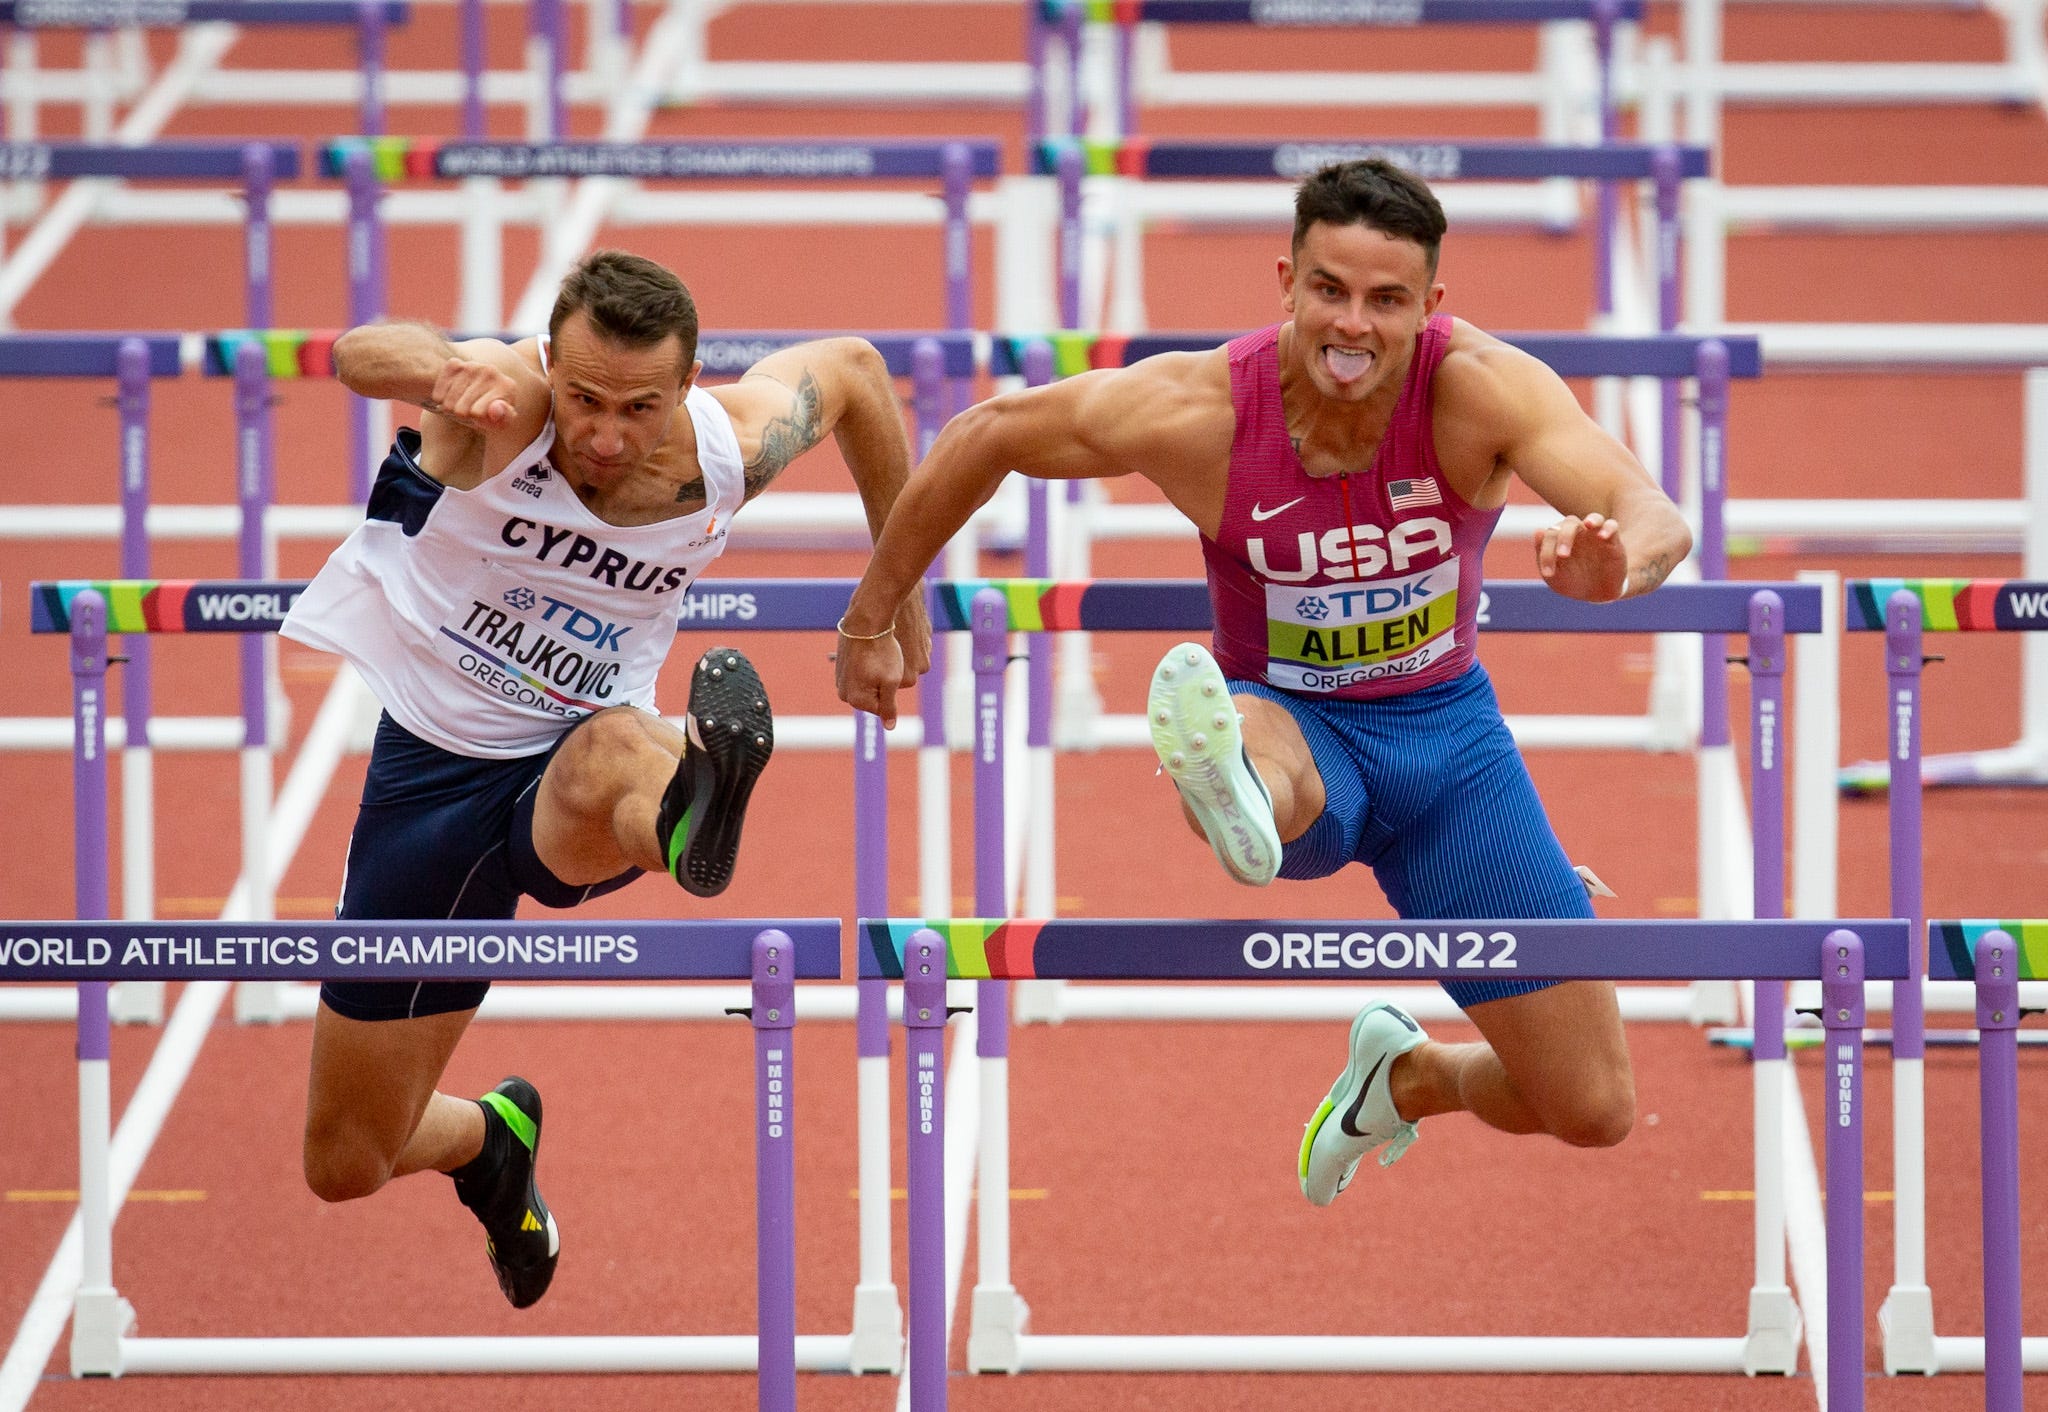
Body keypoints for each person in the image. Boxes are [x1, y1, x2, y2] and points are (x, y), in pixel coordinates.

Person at [832, 160, 1691, 1209]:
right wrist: (870, 614)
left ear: (1430, 305)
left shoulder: (1480, 389)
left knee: (1590, 1104)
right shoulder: (1200, 409)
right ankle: (1225, 783)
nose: (1350, 324)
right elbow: (989, 434)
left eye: (1384, 301)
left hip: (1451, 750)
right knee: (1263, 771)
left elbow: (1646, 509)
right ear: (1284, 280)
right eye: (1327, 289)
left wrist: (1617, 568)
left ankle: (1405, 1074)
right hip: (1295, 724)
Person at [280, 249, 931, 1306]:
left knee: (618, 752)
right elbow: (362, 353)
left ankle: (689, 809)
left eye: (636, 406)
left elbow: (853, 370)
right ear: (550, 362)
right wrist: (444, 367)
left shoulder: (722, 453)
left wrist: (892, 601)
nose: (600, 433)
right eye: (582, 397)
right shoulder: (503, 406)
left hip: (577, 766)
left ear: (685, 387)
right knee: (345, 1159)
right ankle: (490, 1139)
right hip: (428, 775)